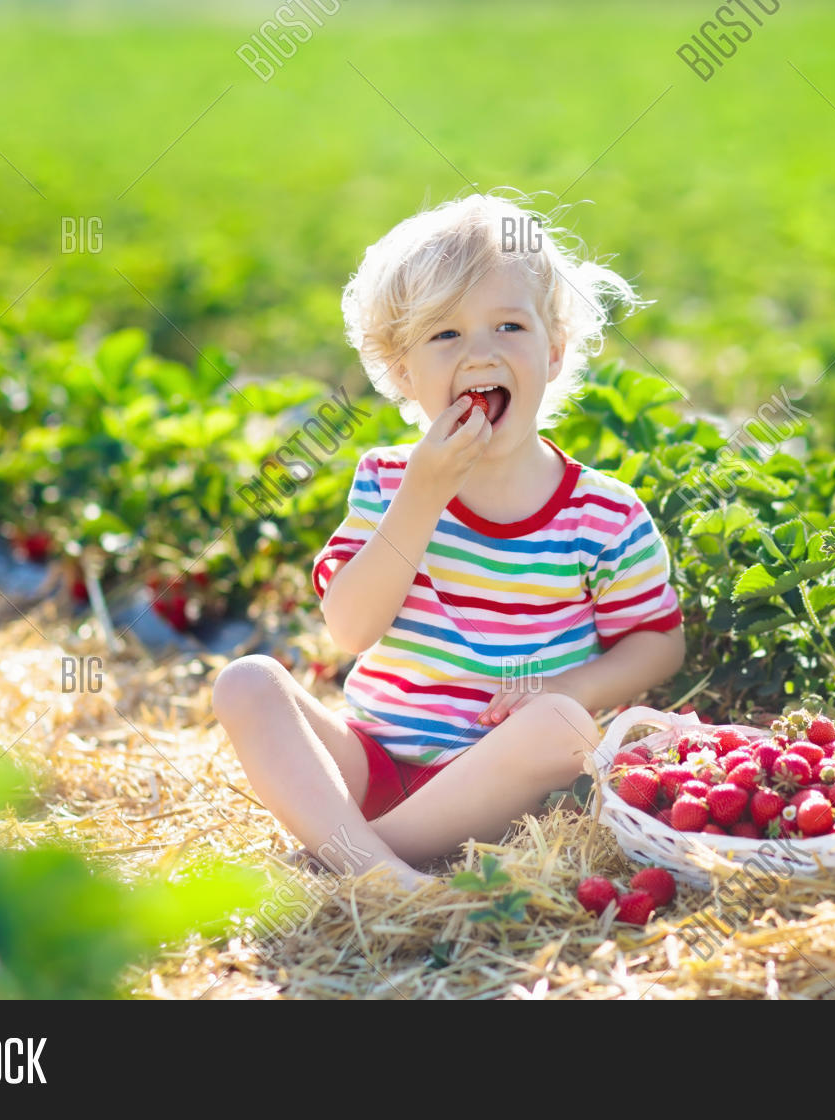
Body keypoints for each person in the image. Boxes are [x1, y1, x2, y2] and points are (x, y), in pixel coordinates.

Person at [212, 192, 686, 886]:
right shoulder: (387, 483)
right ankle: (384, 872)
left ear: (553, 351)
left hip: (502, 787)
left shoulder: (601, 513)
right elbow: (349, 628)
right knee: (247, 682)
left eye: (508, 326)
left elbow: (658, 643)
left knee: (564, 724)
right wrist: (423, 494)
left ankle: (353, 858)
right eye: (445, 336)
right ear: (403, 371)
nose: (480, 354)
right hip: (376, 762)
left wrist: (566, 684)